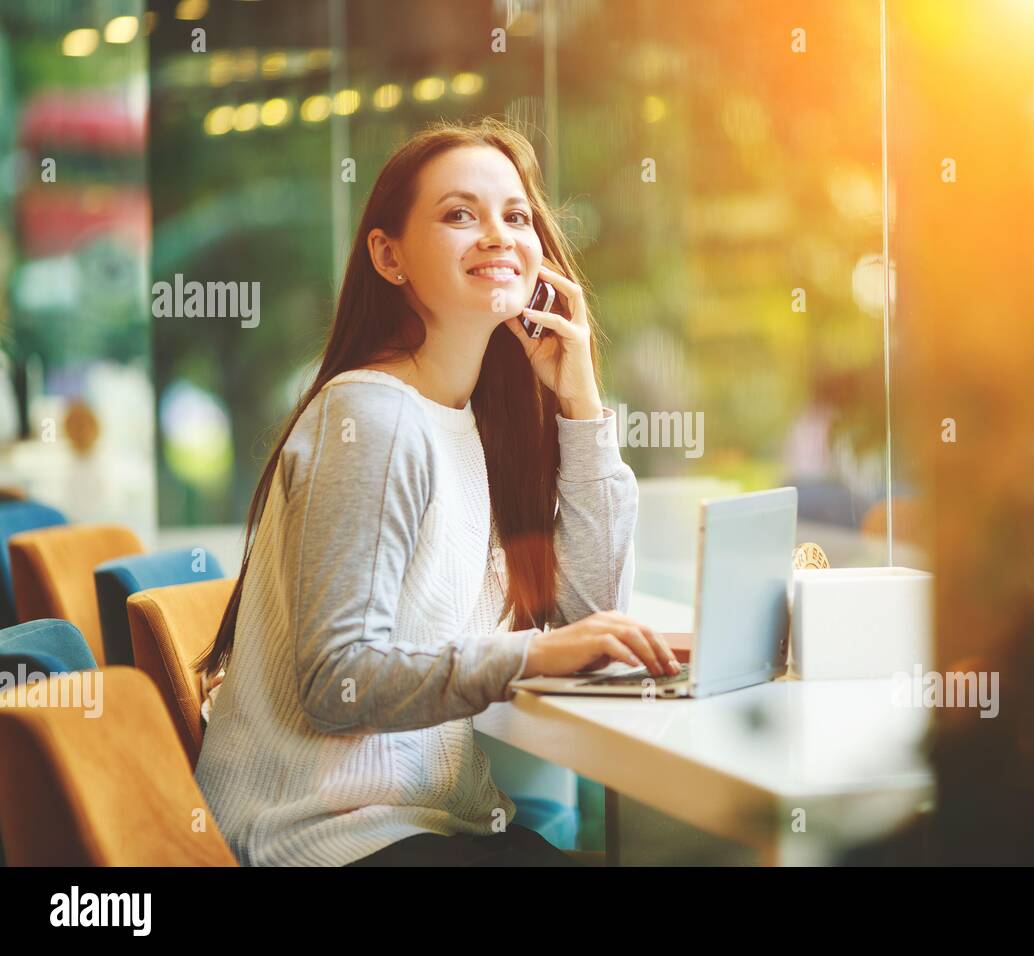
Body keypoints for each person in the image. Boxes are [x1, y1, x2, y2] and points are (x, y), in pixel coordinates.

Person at [194, 116, 680, 867]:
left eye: (515, 216)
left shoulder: (473, 423)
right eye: (460, 215)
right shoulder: (373, 417)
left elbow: (591, 619)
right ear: (389, 258)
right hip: (329, 841)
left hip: (425, 828)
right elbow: (338, 682)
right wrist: (534, 655)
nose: (498, 235)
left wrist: (583, 406)